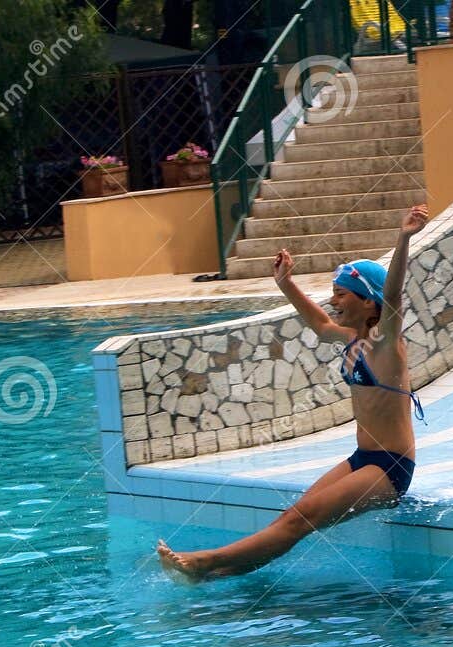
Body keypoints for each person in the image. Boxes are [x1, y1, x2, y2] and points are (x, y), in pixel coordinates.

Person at [157, 204, 429, 581]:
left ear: (369, 301)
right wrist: (285, 283)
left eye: (341, 294)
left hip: (390, 468)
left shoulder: (385, 343)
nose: (333, 301)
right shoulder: (354, 339)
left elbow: (394, 296)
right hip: (363, 457)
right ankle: (220, 572)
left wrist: (403, 238)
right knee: (293, 517)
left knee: (300, 520)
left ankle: (203, 562)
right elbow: (318, 326)